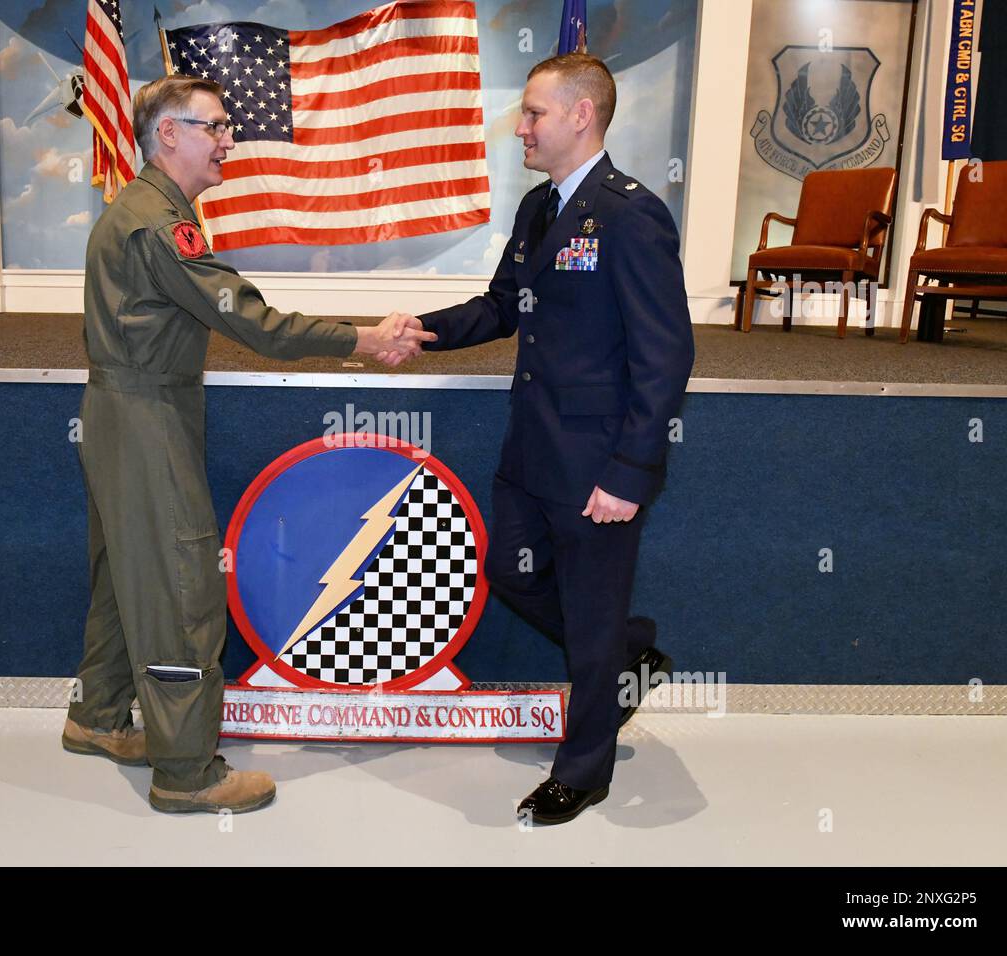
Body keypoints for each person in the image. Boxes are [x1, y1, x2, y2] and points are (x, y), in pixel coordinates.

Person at [62, 75, 434, 814]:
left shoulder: (139, 211)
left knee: (121, 577)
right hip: (145, 421)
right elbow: (252, 321)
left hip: (117, 412)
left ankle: (98, 716)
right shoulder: (161, 225)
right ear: (168, 134)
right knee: (177, 587)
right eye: (216, 125)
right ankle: (186, 771)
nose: (228, 139)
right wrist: (361, 339)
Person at [386, 53, 694, 825]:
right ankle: (630, 654)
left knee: (588, 619)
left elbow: (666, 354)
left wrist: (631, 471)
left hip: (597, 461)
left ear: (581, 116)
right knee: (511, 570)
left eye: (533, 113)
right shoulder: (537, 207)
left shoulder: (631, 215)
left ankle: (584, 770)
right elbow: (502, 306)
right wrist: (424, 331)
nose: (519, 127)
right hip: (531, 451)